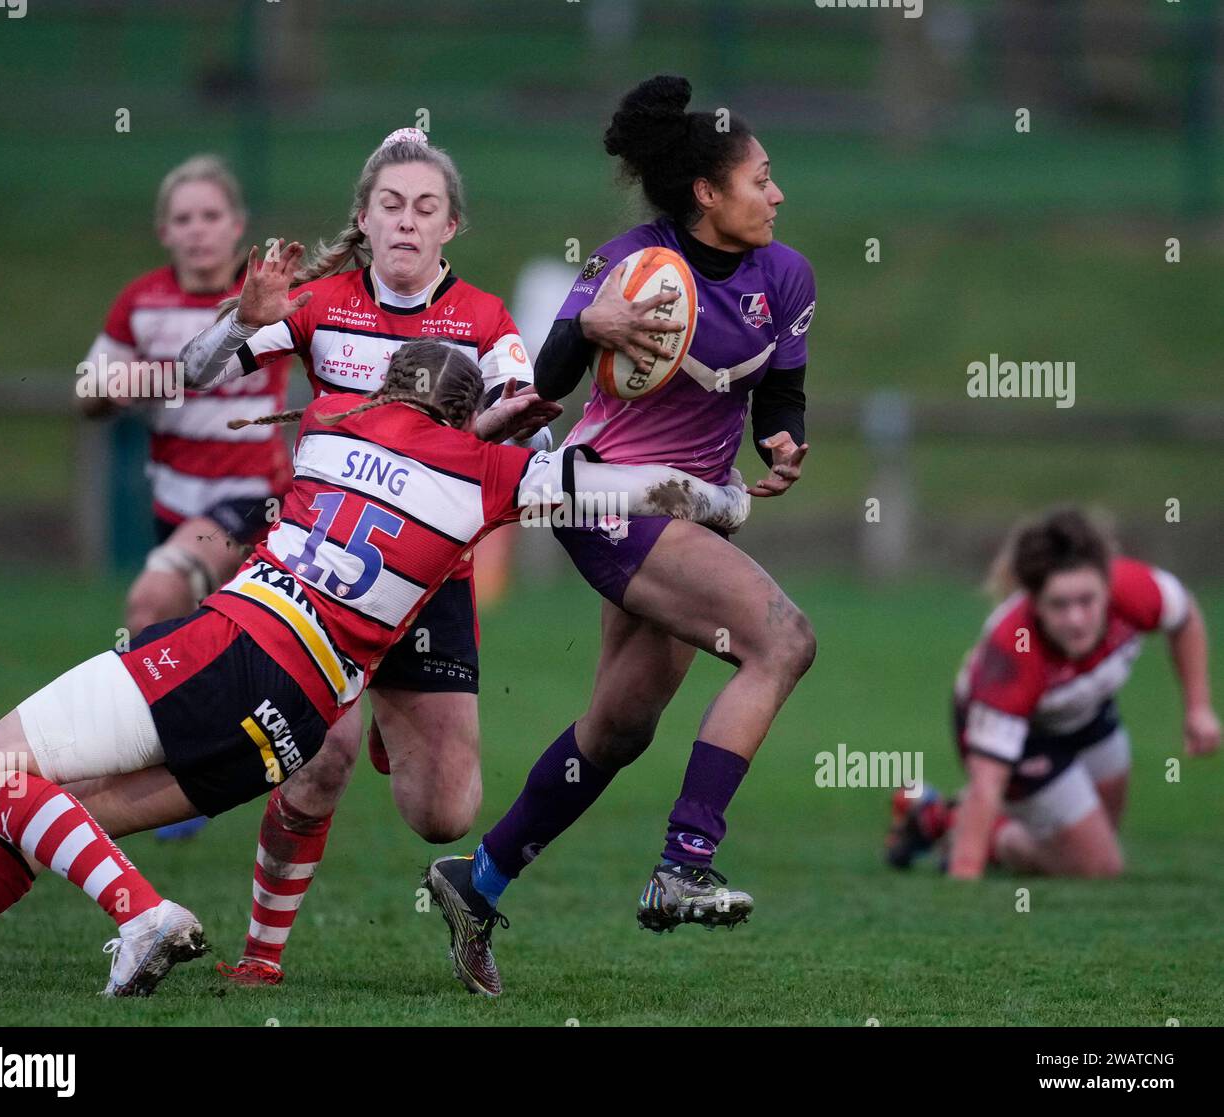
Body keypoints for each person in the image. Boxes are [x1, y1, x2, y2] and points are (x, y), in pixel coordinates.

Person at [0, 341, 750, 997]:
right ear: (467, 418)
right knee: (41, 820)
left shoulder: (326, 423)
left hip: (234, 642)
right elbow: (643, 487)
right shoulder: (492, 477)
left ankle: (144, 912)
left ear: (388, 390)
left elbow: (340, 419)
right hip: (298, 716)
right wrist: (726, 502)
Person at [422, 74, 819, 997]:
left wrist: (783, 438)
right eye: (762, 178)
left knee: (621, 724)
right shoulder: (631, 266)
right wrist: (583, 324)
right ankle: (685, 862)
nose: (777, 193)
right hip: (603, 499)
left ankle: (474, 883)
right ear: (706, 194)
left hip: (688, 506)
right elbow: (537, 396)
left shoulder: (786, 276)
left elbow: (780, 389)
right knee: (785, 638)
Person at [177, 129, 553, 984]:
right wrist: (243, 315)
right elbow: (197, 373)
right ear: (364, 218)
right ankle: (261, 957)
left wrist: (506, 427)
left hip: (429, 584)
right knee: (320, 763)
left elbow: (534, 437)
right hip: (319, 575)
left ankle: (393, 719)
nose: (407, 223)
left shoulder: (486, 323)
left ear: (452, 225)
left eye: (426, 209)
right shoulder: (322, 304)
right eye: (391, 206)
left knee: (444, 815)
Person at [79, 154, 295, 841]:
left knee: (151, 599)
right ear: (163, 231)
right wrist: (115, 387)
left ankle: (152, 769)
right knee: (208, 640)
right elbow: (88, 392)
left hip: (251, 498)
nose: (198, 230)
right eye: (183, 219)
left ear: (238, 227)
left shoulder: (267, 298)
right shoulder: (141, 301)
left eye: (211, 216)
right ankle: (181, 772)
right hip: (174, 500)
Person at [886, 507, 1219, 879]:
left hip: (1086, 713)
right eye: (1060, 605)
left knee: (1101, 835)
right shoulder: (1014, 650)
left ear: (1107, 586)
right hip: (1022, 736)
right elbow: (987, 780)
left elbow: (1184, 618)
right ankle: (943, 822)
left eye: (1087, 601)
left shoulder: (1134, 589)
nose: (1076, 619)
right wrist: (964, 880)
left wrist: (1198, 709)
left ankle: (955, 817)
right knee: (1098, 866)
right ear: (1034, 601)